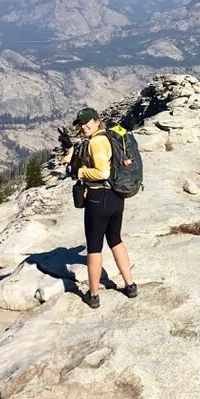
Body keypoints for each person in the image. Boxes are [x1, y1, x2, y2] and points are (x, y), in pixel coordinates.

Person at [71, 106, 137, 309]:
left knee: (94, 246)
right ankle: (130, 284)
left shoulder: (96, 143)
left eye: (87, 122)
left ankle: (93, 294)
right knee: (115, 239)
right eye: (81, 124)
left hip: (99, 197)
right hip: (116, 197)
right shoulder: (108, 137)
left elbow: (102, 172)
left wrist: (81, 173)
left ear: (97, 121)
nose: (84, 126)